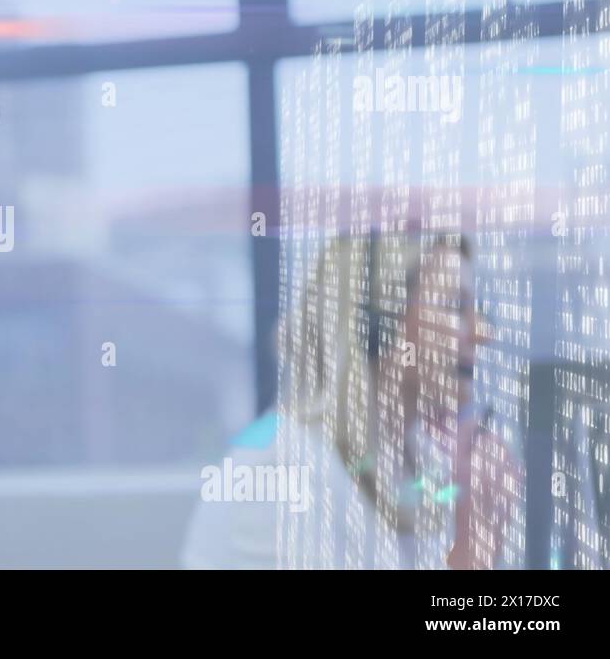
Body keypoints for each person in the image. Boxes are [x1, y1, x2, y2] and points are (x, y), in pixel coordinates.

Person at [181, 231, 522, 569]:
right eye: (454, 307)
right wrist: (473, 549)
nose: (482, 332)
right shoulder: (280, 476)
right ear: (377, 328)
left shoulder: (414, 461)